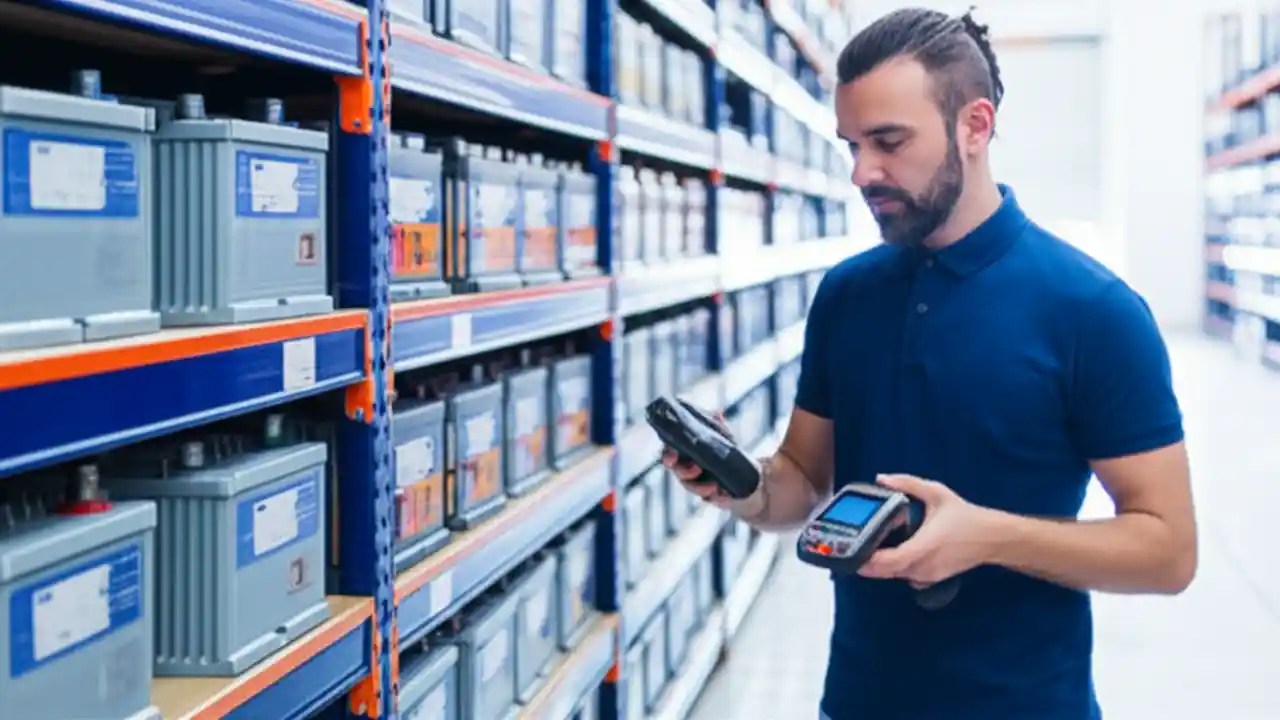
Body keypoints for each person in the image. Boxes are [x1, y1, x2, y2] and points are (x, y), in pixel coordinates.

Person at [665, 8, 1198, 720]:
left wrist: (987, 537)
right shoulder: (847, 294)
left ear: (975, 127)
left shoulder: (1092, 310)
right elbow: (799, 483)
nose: (862, 172)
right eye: (851, 144)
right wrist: (742, 486)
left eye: (888, 142)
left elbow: (1168, 551)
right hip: (856, 701)